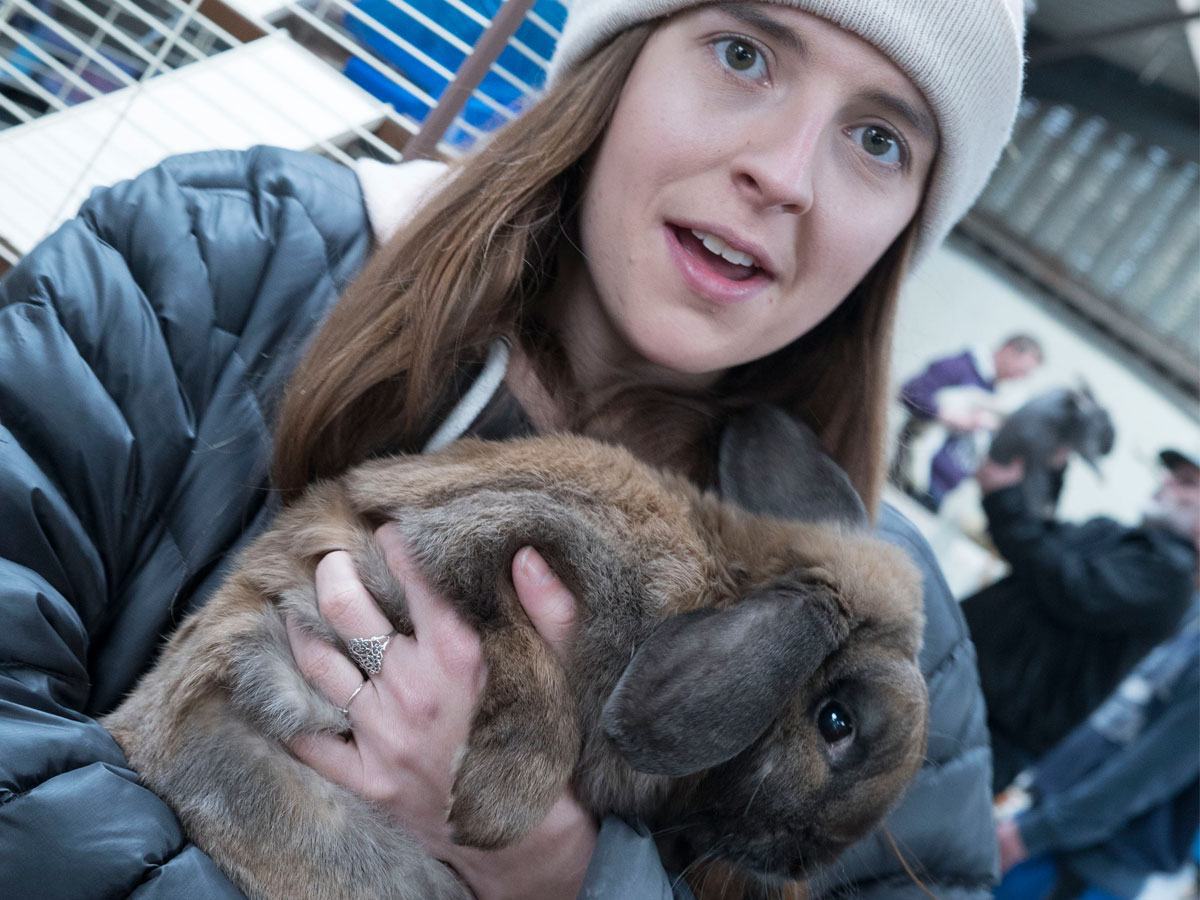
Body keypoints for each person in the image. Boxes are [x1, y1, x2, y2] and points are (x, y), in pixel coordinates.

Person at [0, 1, 1027, 896]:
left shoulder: (889, 644)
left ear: (906, 226)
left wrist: (566, 880)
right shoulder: (201, 260)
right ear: (622, 60)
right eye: (744, 54)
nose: (786, 173)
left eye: (880, 139)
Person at [964, 447, 1199, 794]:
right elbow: (1036, 540)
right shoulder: (1112, 533)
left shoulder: (1168, 578)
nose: (1166, 483)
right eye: (1171, 475)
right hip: (957, 687)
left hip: (991, 733)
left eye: (1187, 483)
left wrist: (1004, 500)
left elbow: (1071, 587)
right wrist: (1044, 474)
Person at [993, 604, 1199, 900]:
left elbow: (1140, 777)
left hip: (1084, 864)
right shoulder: (1192, 621)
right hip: (1048, 834)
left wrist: (1030, 835)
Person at [891, 333, 1044, 509]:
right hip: (915, 478)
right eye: (1022, 370)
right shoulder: (960, 367)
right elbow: (911, 391)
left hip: (941, 488)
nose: (1020, 378)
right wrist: (955, 418)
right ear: (1009, 351)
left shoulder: (997, 393)